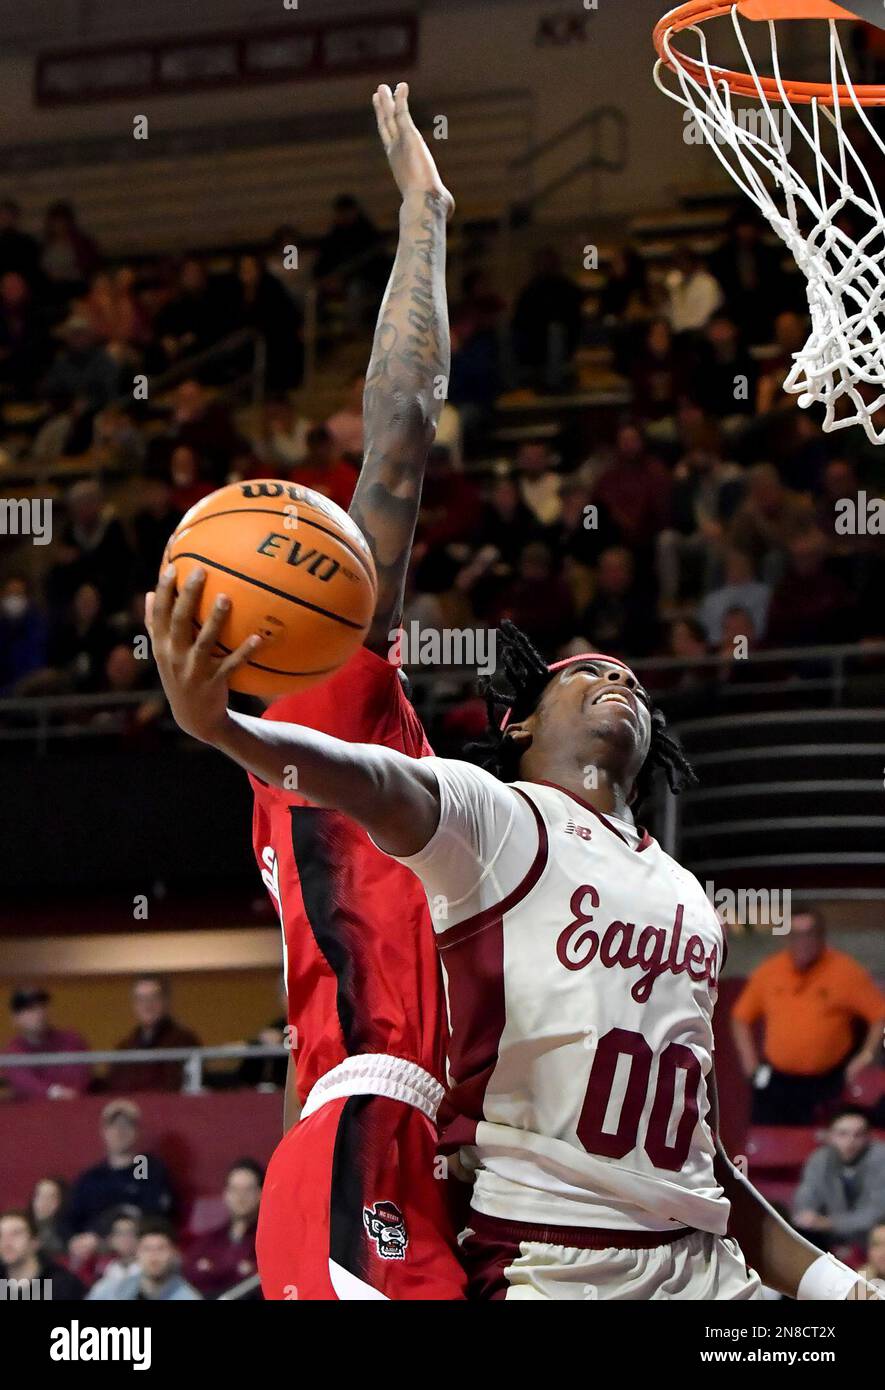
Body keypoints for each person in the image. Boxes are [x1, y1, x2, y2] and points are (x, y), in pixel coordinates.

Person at [147, 566, 878, 1301]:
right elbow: (370, 779)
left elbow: (707, 1156)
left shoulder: (686, 892)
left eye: (631, 680)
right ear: (519, 722)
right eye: (586, 671)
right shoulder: (495, 818)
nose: (616, 679)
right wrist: (225, 728)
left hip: (699, 1268)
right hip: (554, 1264)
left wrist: (841, 1291)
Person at [147, 84, 465, 1302]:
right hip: (365, 1126)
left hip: (372, 1131)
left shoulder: (301, 739)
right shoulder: (317, 702)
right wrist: (424, 220)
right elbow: (399, 431)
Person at [730, 909, 885, 1125]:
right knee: (768, 1142)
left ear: (821, 936)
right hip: (777, 1079)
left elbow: (879, 1014)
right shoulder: (770, 971)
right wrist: (751, 1066)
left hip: (828, 1081)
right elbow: (740, 1018)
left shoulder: (845, 971)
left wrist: (866, 1056)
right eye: (795, 935)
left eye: (809, 934)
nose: (802, 942)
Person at [67, 1100, 175, 1238]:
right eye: (114, 1125)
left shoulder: (145, 1168)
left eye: (127, 1125)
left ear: (137, 1131)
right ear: (104, 1132)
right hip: (96, 1251)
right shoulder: (91, 1177)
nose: (120, 1131)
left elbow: (155, 1215)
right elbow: (71, 1221)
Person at [792, 1107, 885, 1249]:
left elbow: (876, 1215)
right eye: (843, 1134)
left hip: (872, 1243)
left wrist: (829, 1223)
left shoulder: (881, 1158)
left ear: (869, 1137)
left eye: (858, 1135)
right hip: (831, 1241)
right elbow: (805, 1200)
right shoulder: (820, 1159)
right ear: (829, 1136)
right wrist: (808, 1216)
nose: (850, 1141)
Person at [106, 974, 201, 1093]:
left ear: (166, 1001)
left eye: (153, 998)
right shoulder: (124, 1047)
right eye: (140, 999)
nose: (147, 1005)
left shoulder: (184, 1041)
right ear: (134, 1005)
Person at [183, 1159, 263, 1298]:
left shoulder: (268, 1242)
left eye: (248, 1190)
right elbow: (190, 1276)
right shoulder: (208, 1241)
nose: (240, 1197)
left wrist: (214, 1271)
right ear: (226, 1193)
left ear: (261, 1193)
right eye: (235, 1189)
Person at [3, 986, 90, 1100]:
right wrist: (55, 1093)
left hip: (74, 1109)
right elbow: (25, 1084)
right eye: (30, 1009)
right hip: (34, 1115)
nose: (39, 1013)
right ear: (15, 1019)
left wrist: (65, 1093)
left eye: (42, 1006)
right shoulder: (13, 1051)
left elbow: (79, 1079)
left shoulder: (71, 1040)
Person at [89, 1218, 201, 1301]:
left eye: (161, 1249)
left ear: (173, 1253)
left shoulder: (188, 1297)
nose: (154, 1256)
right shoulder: (113, 1289)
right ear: (137, 1253)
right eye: (147, 1249)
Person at [0, 1209, 85, 1300]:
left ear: (35, 1242)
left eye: (16, 1234)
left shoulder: (62, 1284)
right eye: (0, 1235)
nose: (6, 1243)